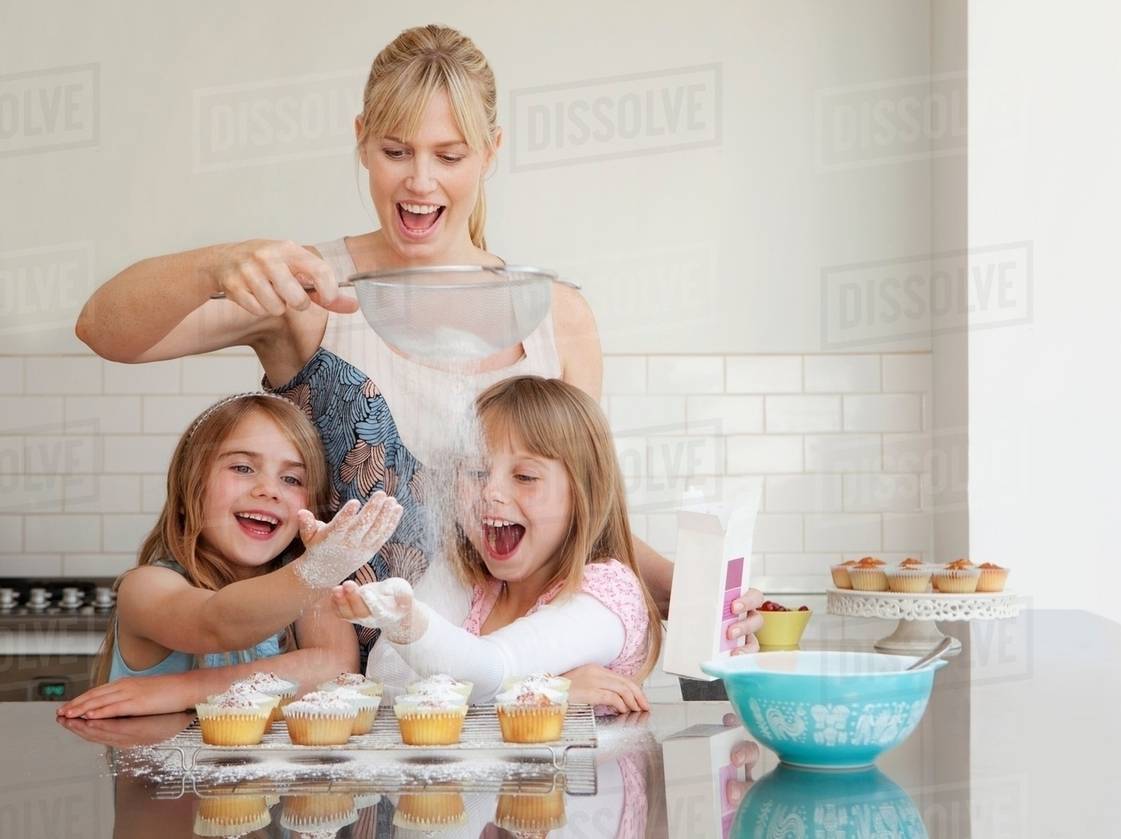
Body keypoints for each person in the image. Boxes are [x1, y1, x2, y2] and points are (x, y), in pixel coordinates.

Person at [74, 24, 762, 705]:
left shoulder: (557, 316)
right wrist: (215, 264)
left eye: (449, 155)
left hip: (515, 695)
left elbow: (580, 510)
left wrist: (695, 593)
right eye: (396, 150)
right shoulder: (309, 288)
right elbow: (104, 331)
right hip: (345, 697)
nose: (420, 181)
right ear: (361, 140)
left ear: (490, 152)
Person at [57, 393, 402, 719]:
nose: (268, 490)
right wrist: (317, 569)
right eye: (242, 468)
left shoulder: (309, 587)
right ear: (190, 487)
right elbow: (216, 624)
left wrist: (185, 690)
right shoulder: (145, 587)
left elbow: (336, 667)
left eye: (291, 478)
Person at [332, 376, 661, 712]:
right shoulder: (468, 576)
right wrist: (544, 692)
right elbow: (387, 679)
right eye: (476, 473)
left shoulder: (607, 596)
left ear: (584, 494)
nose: (491, 492)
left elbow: (494, 667)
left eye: (525, 477)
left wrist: (407, 623)